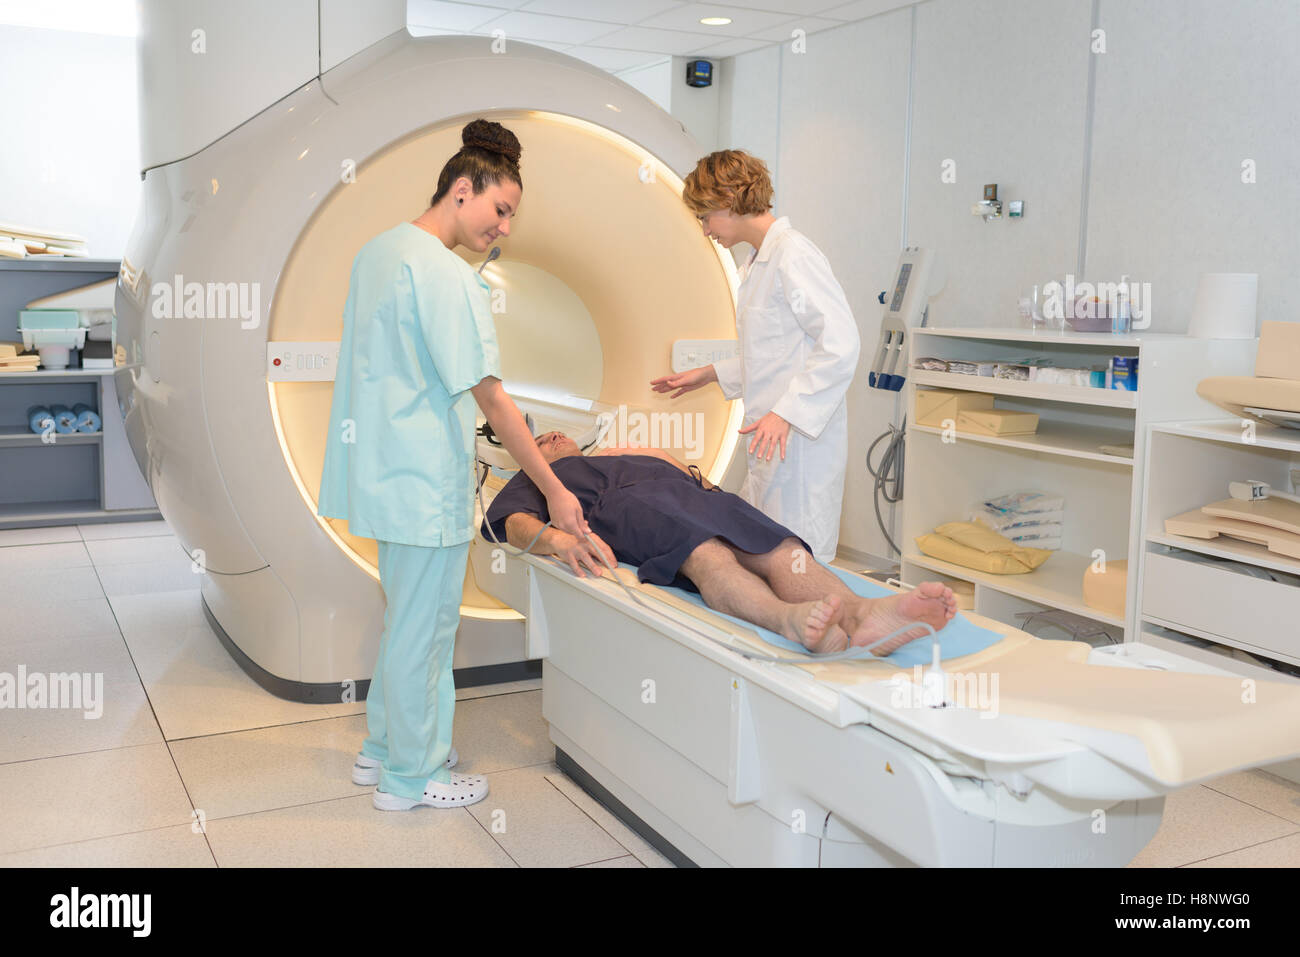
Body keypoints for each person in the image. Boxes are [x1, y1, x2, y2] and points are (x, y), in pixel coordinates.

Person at [318, 119, 591, 811]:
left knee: (403, 621)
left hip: (380, 473)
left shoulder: (378, 251)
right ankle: (414, 776)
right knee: (428, 632)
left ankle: (381, 749)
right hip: (422, 483)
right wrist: (555, 488)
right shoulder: (449, 276)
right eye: (500, 210)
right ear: (461, 189)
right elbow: (491, 398)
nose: (504, 227)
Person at [483, 433, 956, 655]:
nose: (552, 437)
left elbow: (691, 474)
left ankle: (862, 615)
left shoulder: (625, 452)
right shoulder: (544, 479)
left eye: (556, 433)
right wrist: (563, 540)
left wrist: (684, 472)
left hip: (697, 494)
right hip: (626, 506)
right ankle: (786, 620)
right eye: (541, 440)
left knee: (783, 550)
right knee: (708, 553)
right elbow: (511, 524)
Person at [651, 150, 860, 565]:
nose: (706, 229)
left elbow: (841, 342)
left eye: (706, 216)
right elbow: (774, 355)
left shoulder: (793, 255)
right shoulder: (756, 263)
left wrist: (786, 413)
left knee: (800, 562)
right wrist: (710, 374)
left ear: (729, 200)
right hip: (770, 441)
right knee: (767, 555)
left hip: (799, 447)